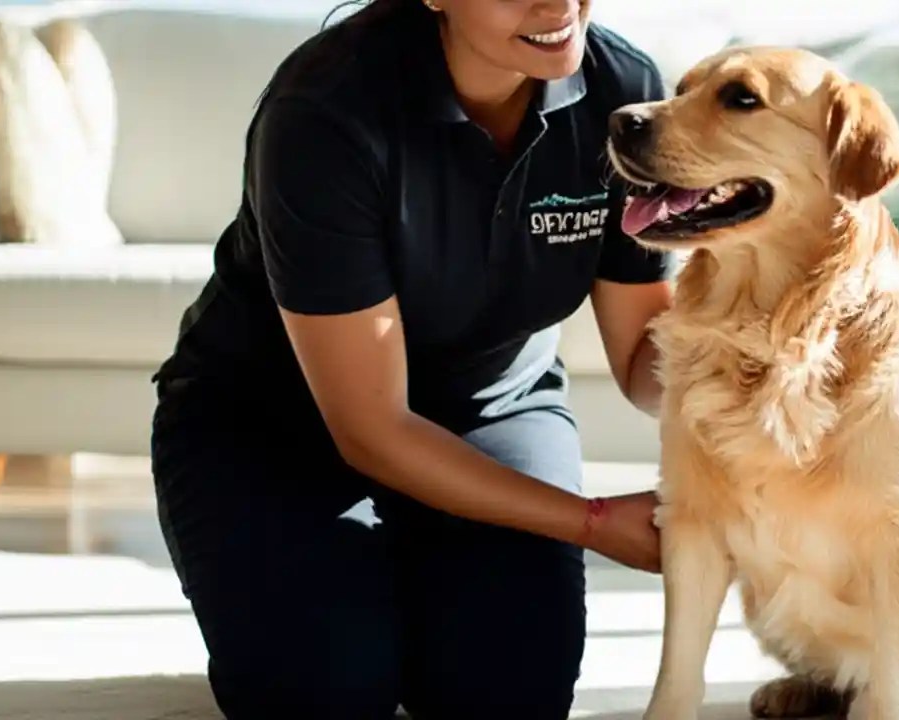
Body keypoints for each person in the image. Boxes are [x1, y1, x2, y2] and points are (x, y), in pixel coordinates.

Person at [149, 0, 674, 717]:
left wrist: (767, 363)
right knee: (328, 691)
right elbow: (373, 429)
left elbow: (648, 362)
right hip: (273, 426)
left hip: (492, 408)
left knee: (504, 694)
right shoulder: (326, 112)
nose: (558, 5)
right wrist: (591, 519)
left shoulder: (624, 91)